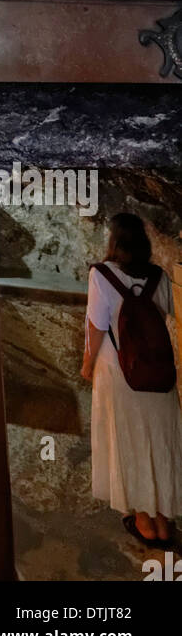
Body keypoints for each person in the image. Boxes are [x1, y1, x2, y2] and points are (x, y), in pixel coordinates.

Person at [82, 212, 182, 548]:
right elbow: (168, 314)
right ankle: (164, 522)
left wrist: (86, 366)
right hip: (158, 372)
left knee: (128, 442)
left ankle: (143, 520)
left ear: (114, 242)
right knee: (159, 442)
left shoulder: (101, 275)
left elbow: (96, 327)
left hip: (118, 371)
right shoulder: (159, 276)